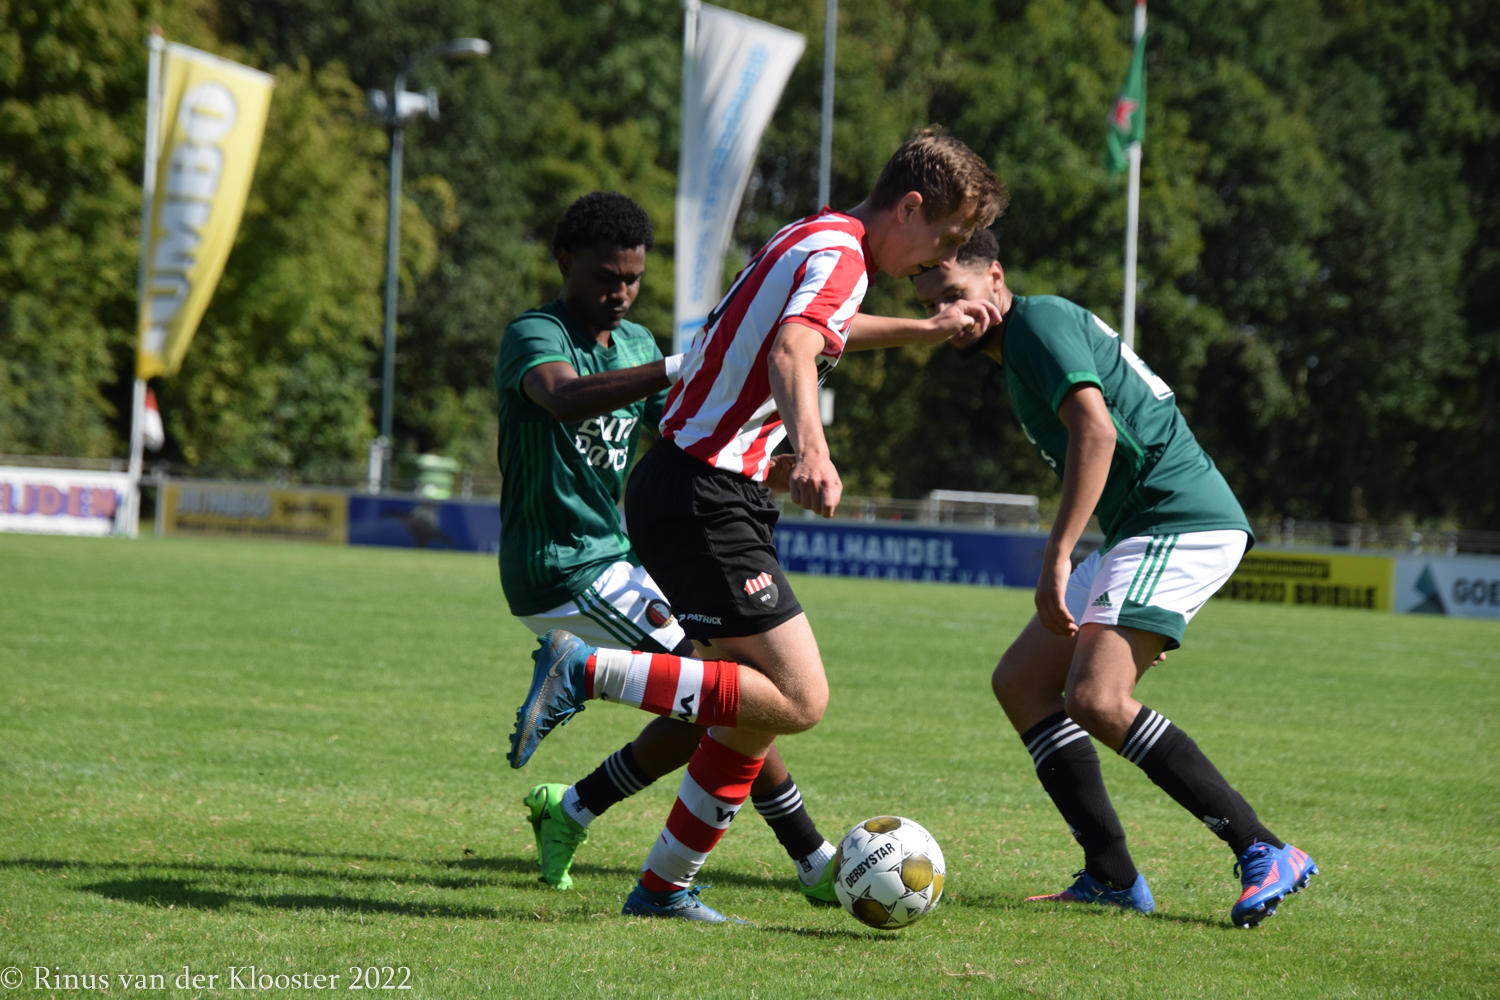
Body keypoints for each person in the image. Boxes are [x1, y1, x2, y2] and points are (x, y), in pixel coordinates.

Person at [509, 132, 1008, 922]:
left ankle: (662, 889)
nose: (938, 259)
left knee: (744, 714)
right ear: (909, 207)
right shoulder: (843, 256)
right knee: (800, 697)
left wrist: (925, 330)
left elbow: (823, 330)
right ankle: (586, 670)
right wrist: (811, 447)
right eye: (944, 238)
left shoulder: (816, 237)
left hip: (699, 486)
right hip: (703, 494)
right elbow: (794, 346)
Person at [910, 227, 1318, 928]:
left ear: (996, 277)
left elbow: (1096, 433)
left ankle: (1264, 850)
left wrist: (1057, 553)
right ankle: (1110, 873)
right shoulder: (1018, 352)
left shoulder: (1036, 323)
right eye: (934, 307)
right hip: (1145, 524)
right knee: (1023, 683)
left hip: (1178, 517)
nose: (951, 317)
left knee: (1097, 697)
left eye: (958, 296)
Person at [494, 191, 840, 904]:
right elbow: (562, 398)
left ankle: (573, 809)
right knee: (728, 692)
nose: (619, 293)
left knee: (734, 692)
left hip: (616, 559)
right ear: (565, 261)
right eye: (604, 277)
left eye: (632, 280)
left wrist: (777, 461)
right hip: (558, 566)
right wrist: (684, 363)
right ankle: (809, 855)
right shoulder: (535, 334)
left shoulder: (638, 344)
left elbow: (688, 437)